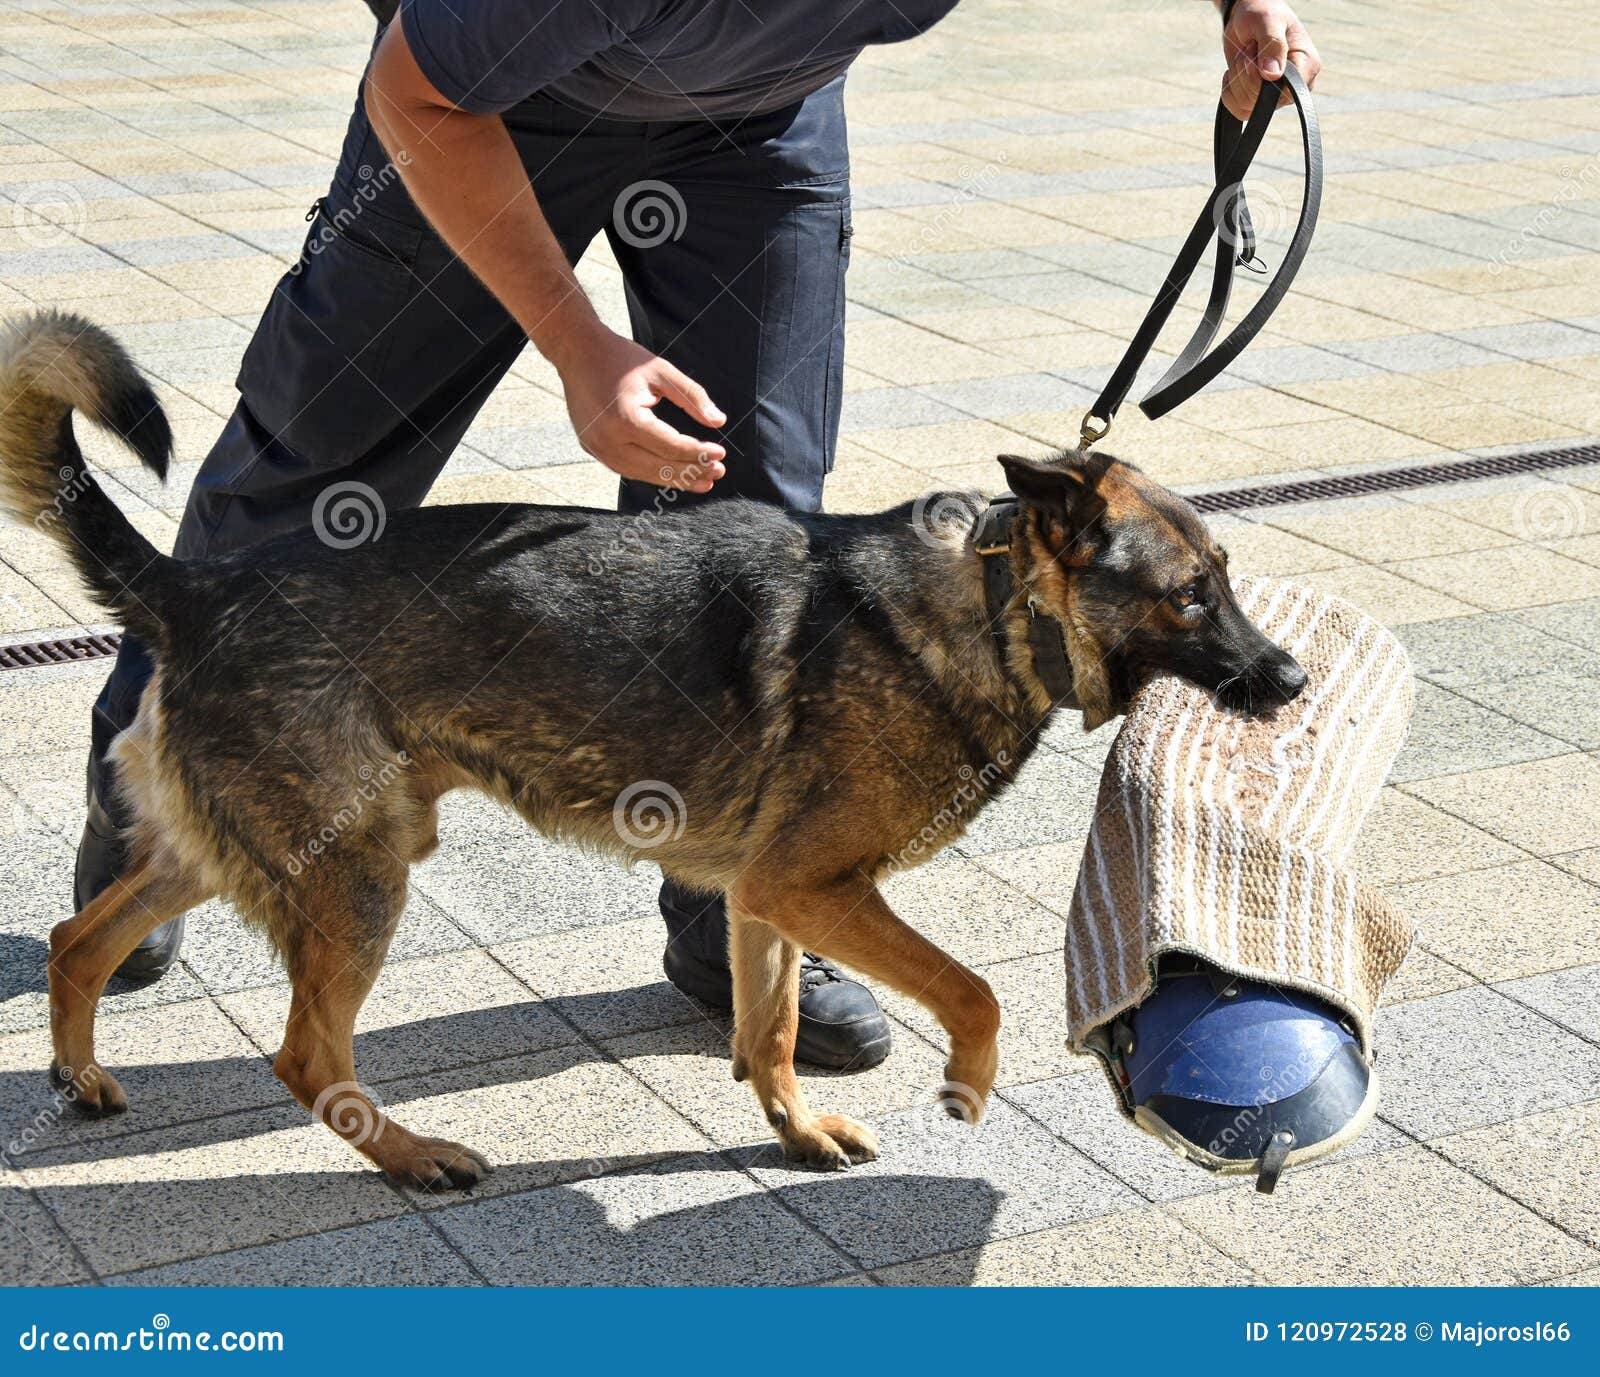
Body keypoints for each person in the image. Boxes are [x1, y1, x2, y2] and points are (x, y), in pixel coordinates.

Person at [77, 0, 1322, 1073]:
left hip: (757, 124)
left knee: (757, 506)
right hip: (491, 98)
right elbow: (422, 89)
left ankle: (736, 894)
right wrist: (576, 347)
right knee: (316, 465)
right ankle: (170, 806)